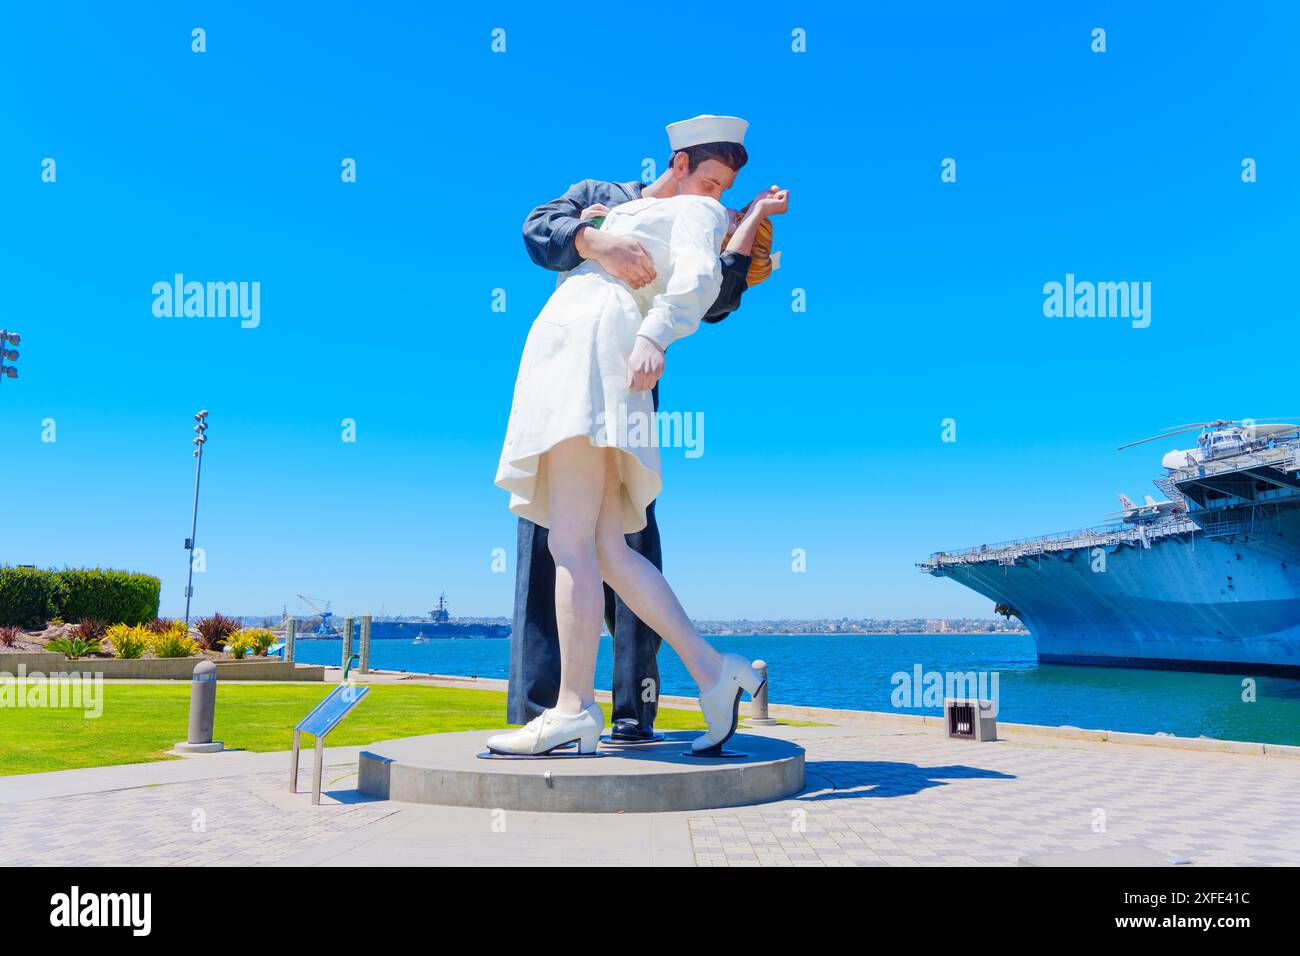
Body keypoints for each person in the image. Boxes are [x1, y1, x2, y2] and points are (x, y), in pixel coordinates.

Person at [490, 115, 788, 755]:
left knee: (570, 539)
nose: (714, 195)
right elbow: (539, 230)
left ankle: (574, 707)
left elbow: (708, 288)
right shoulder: (614, 198)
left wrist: (655, 331)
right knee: (607, 547)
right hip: (594, 354)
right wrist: (597, 235)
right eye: (707, 179)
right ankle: (713, 670)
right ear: (677, 163)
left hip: (593, 355)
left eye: (723, 188)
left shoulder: (697, 212)